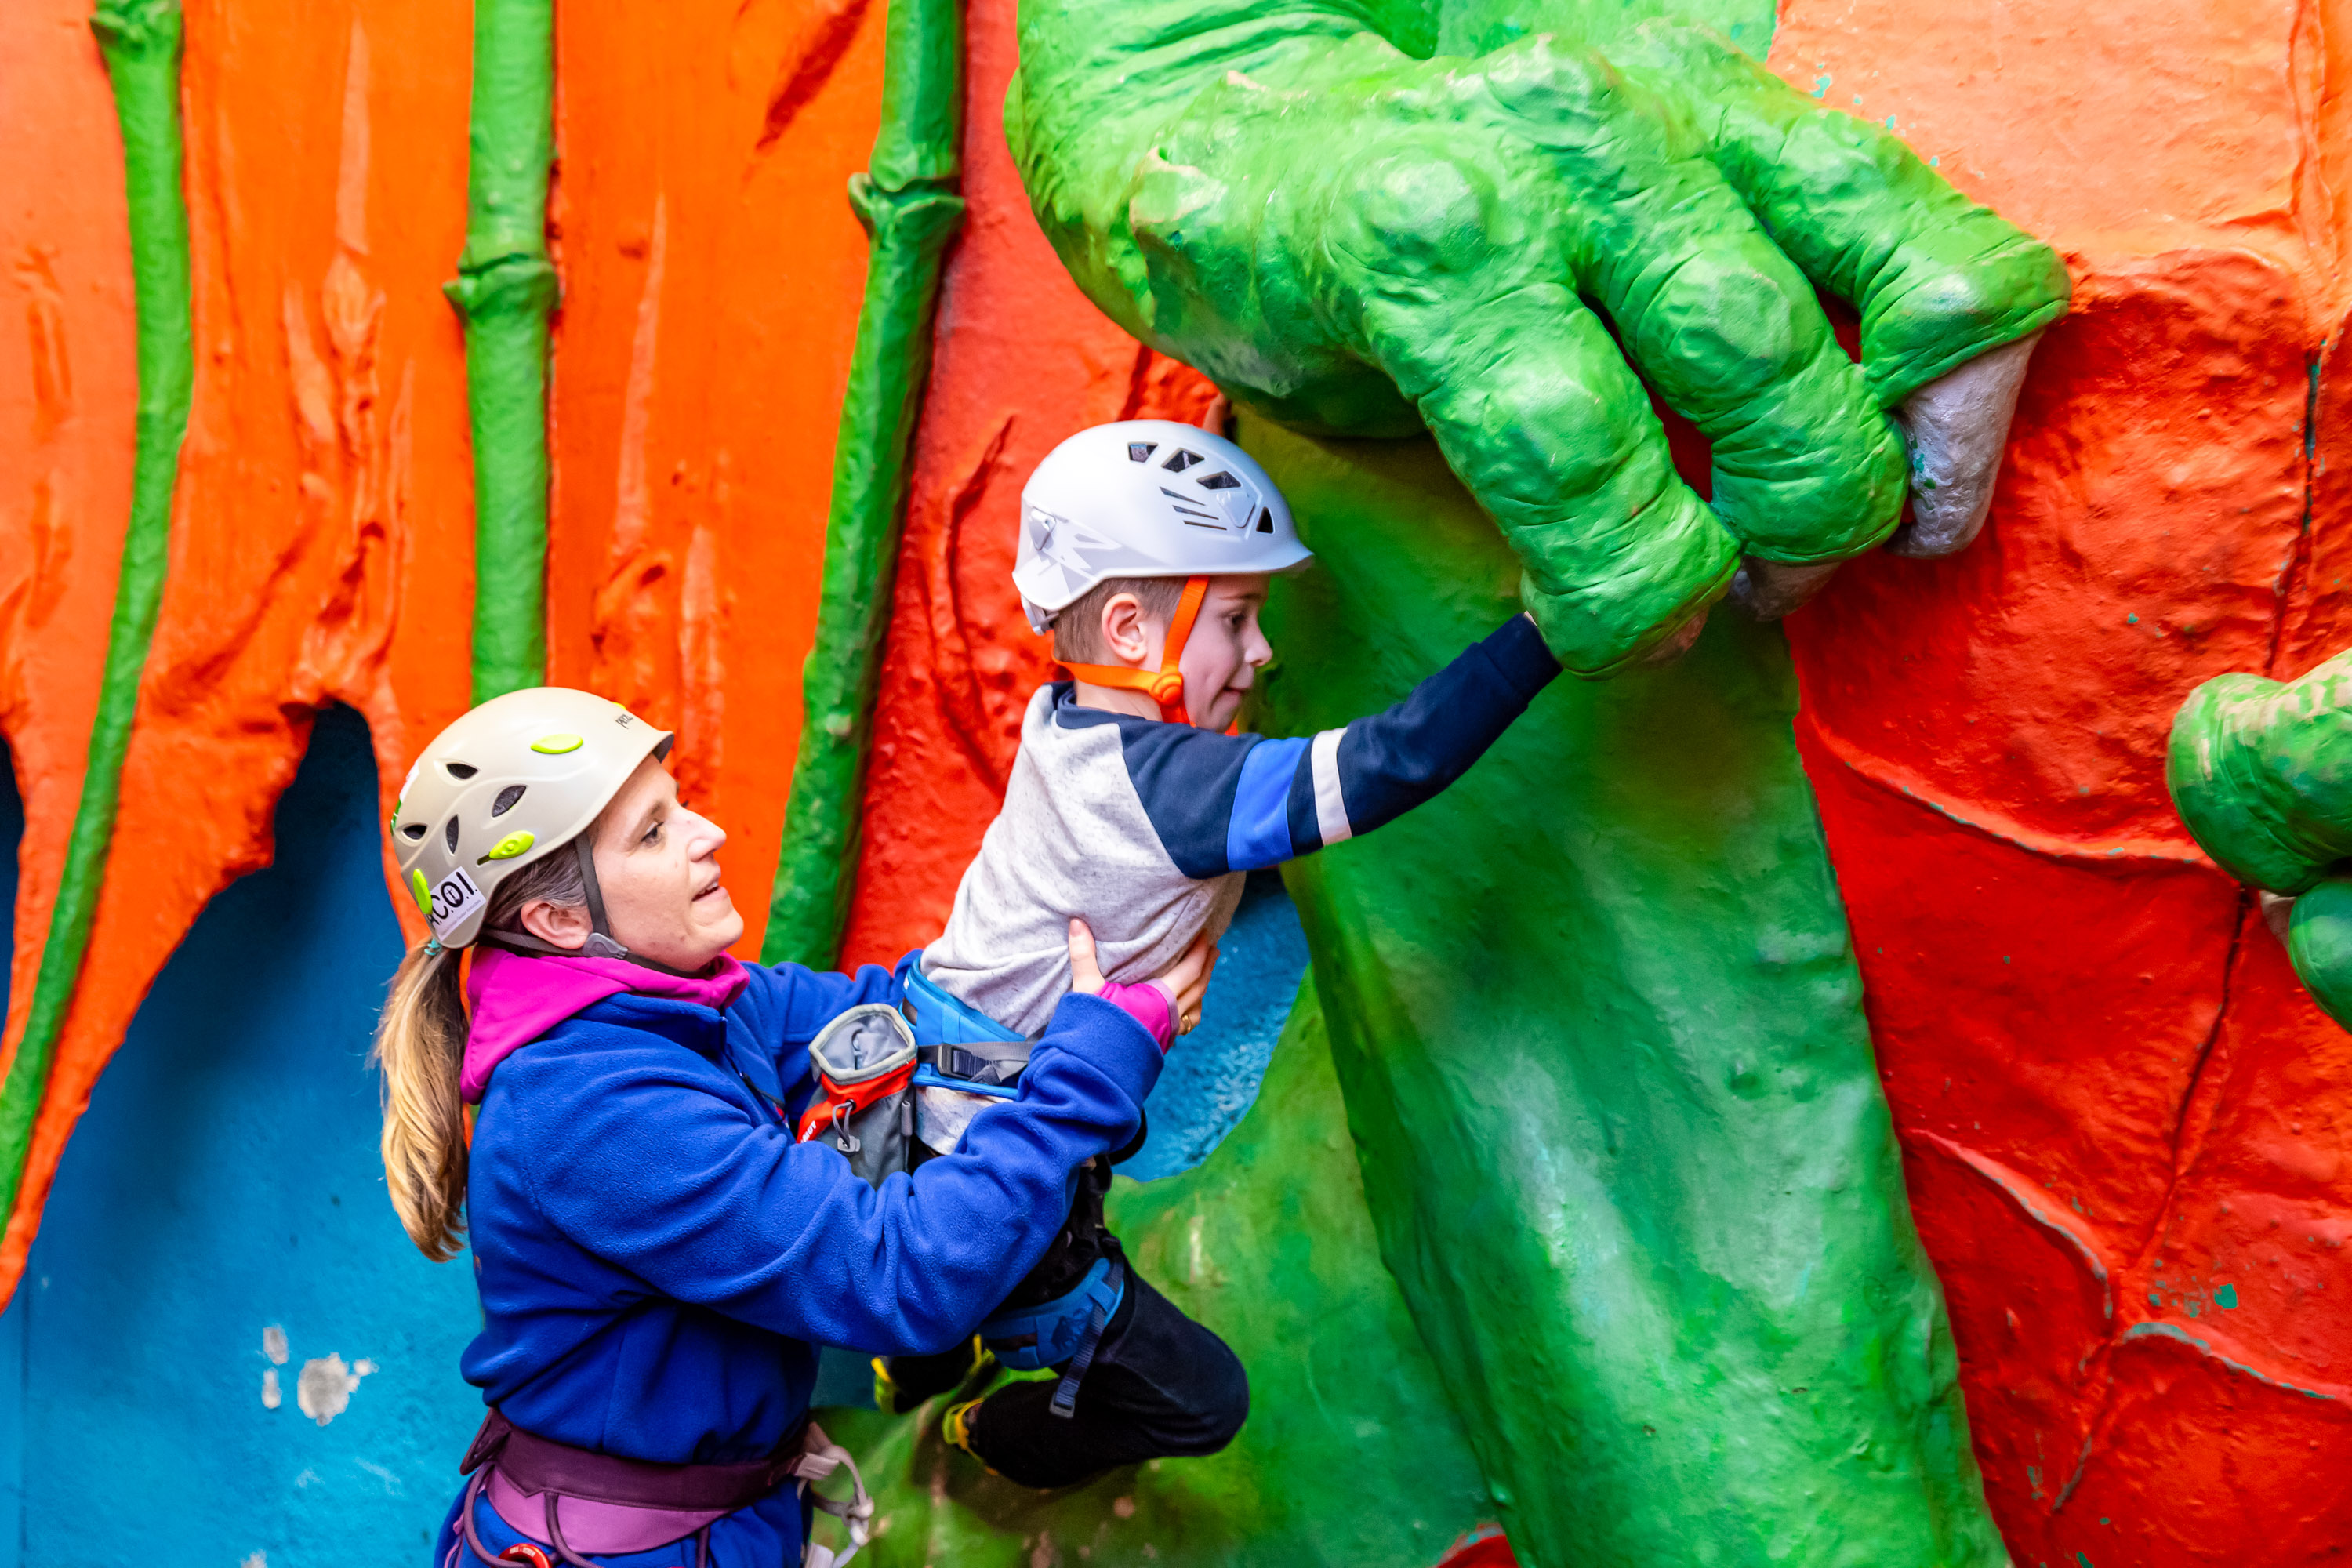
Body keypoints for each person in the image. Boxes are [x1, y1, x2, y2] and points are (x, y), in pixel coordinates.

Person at [375, 685, 1210, 1568]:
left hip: (731, 1522)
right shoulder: (592, 1109)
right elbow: (901, 1273)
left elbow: (903, 1015)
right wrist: (1091, 1067)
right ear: (559, 919)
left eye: (678, 801)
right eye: (654, 832)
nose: (707, 833)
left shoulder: (695, 1009)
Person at [878, 419, 1565, 1488]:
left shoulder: (1066, 721)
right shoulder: (1171, 789)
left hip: (921, 1097)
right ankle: (983, 1441)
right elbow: (1394, 762)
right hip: (997, 1166)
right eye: (1238, 620)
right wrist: (1545, 632)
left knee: (929, 1286)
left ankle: (912, 1358)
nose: (1263, 653)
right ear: (1129, 627)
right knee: (1200, 1403)